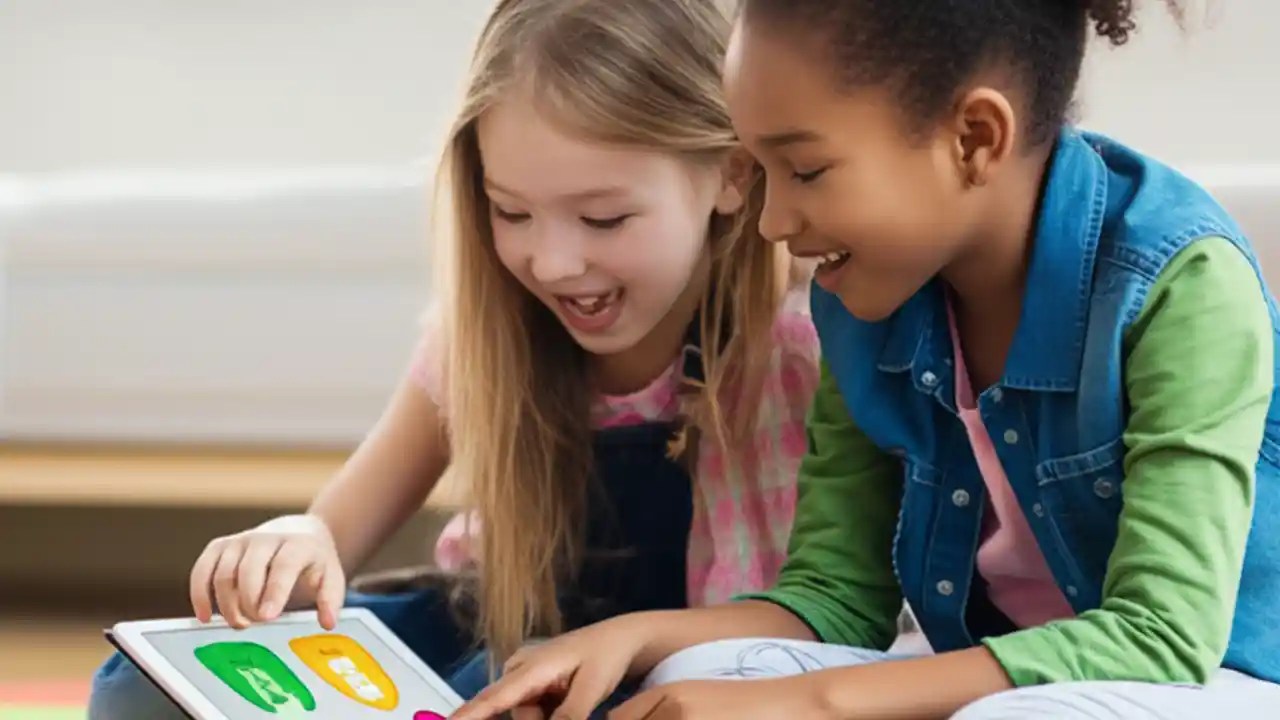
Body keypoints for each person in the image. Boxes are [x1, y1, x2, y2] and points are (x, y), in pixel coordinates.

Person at [452, 1, 1280, 718]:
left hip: (1219, 679)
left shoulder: (1180, 283)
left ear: (974, 138)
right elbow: (836, 599)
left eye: (805, 169)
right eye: (761, 171)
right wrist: (624, 639)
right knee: (694, 675)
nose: (772, 220)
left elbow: (1163, 639)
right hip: (1010, 678)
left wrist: (810, 702)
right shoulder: (859, 305)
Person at [86, 1, 822, 717]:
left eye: (603, 218)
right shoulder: (484, 336)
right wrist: (299, 539)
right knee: (143, 684)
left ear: (732, 174)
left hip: (683, 661)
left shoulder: (800, 345)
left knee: (503, 690)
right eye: (511, 212)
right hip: (498, 623)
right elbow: (335, 532)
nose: (554, 262)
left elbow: (834, 615)